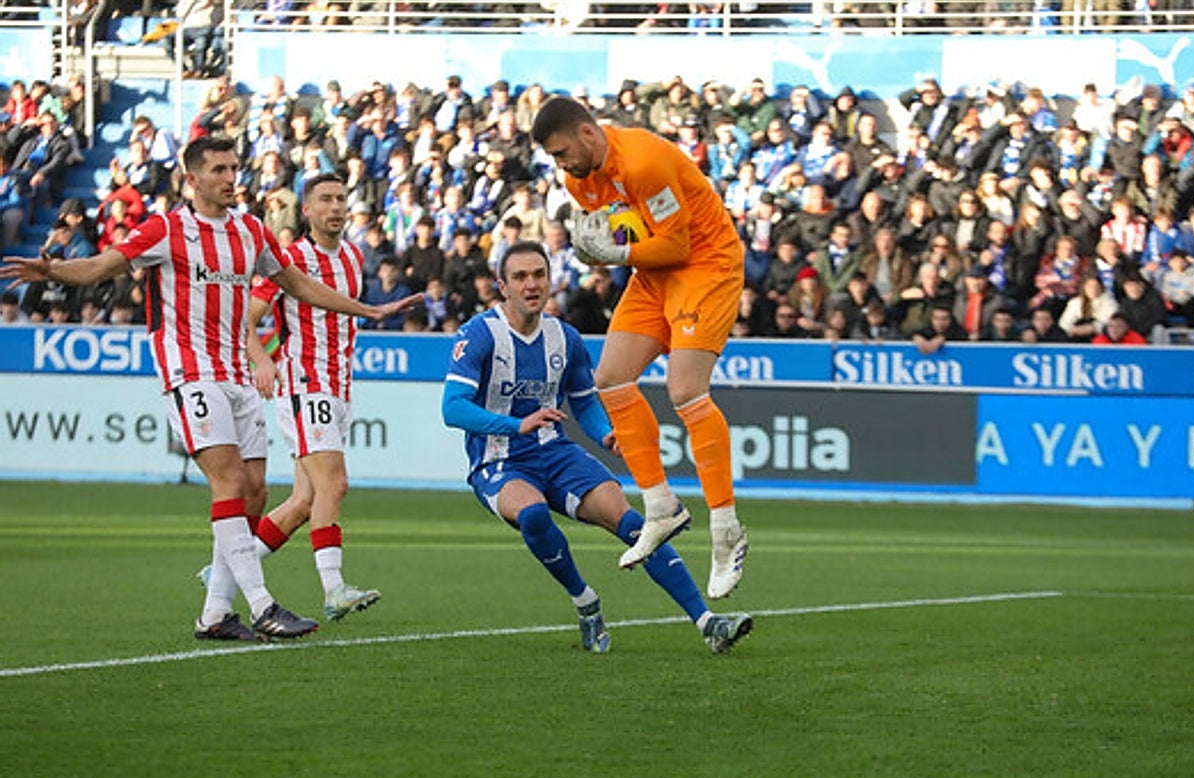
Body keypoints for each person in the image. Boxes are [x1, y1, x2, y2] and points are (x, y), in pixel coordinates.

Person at [0, 136, 412, 642]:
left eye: (235, 166)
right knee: (230, 482)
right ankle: (262, 606)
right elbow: (102, 265)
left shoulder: (251, 231)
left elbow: (298, 285)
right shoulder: (166, 229)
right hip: (189, 369)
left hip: (237, 373)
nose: (230, 176)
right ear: (192, 178)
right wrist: (54, 269)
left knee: (257, 492)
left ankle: (214, 613)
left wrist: (366, 310)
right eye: (219, 168)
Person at [441, 240, 752, 654]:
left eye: (539, 274)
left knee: (637, 526)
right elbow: (452, 408)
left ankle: (708, 622)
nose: (531, 284)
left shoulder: (564, 337)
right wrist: (517, 425)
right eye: (520, 277)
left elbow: (585, 401)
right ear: (502, 286)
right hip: (499, 459)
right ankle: (585, 602)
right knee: (533, 514)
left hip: (556, 453)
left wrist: (605, 432)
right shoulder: (479, 334)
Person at [531, 95, 748, 601]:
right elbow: (624, 230)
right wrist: (600, 248)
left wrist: (617, 251)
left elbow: (677, 245)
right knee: (610, 378)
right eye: (554, 158)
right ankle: (661, 507)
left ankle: (726, 529)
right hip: (654, 275)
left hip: (705, 265)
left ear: (588, 134)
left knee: (685, 389)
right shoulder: (576, 178)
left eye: (563, 153)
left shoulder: (644, 162)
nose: (560, 166)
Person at [214, 173, 422, 621]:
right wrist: (263, 361)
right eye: (325, 200)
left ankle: (226, 575)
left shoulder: (351, 255)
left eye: (341, 199)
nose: (335, 207)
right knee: (335, 484)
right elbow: (245, 318)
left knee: (305, 502)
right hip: (305, 382)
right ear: (306, 210)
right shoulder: (291, 259)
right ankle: (334, 589)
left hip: (339, 386)